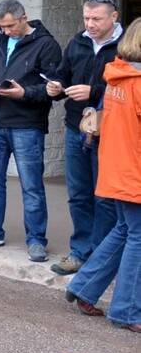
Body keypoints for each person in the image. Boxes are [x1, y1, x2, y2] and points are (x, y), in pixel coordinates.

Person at [0, 0, 62, 262]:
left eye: (9, 26)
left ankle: (37, 240)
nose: (5, 31)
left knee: (31, 186)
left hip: (27, 126)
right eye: (2, 26)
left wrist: (23, 93)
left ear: (23, 18)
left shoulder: (46, 45)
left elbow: (53, 89)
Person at [64, 18, 141, 331]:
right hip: (134, 170)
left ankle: (85, 287)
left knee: (124, 230)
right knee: (136, 236)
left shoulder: (118, 76)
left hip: (116, 166)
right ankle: (126, 310)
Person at [44, 0, 124, 275]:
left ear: (114, 17)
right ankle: (80, 251)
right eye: (86, 18)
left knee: (105, 197)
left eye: (96, 19)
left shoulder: (126, 47)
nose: (89, 24)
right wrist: (55, 86)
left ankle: (102, 256)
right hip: (75, 127)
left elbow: (130, 91)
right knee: (78, 194)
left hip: (111, 132)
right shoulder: (78, 41)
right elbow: (63, 74)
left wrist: (96, 93)